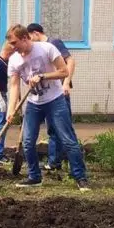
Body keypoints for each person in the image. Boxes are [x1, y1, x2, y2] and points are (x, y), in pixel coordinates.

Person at [5, 25, 89, 191]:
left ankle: (80, 177)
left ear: (25, 38)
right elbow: (14, 87)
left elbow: (64, 71)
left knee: (67, 139)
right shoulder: (14, 60)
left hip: (55, 100)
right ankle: (34, 177)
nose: (13, 47)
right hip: (33, 104)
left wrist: (43, 76)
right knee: (28, 142)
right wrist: (11, 110)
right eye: (11, 44)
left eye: (15, 43)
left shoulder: (47, 48)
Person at [27, 23, 76, 171]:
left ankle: (68, 163)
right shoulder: (39, 48)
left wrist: (66, 83)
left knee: (64, 129)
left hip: (59, 92)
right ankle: (55, 161)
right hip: (47, 94)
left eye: (30, 38)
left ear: (35, 33)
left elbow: (71, 61)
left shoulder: (53, 43)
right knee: (53, 129)